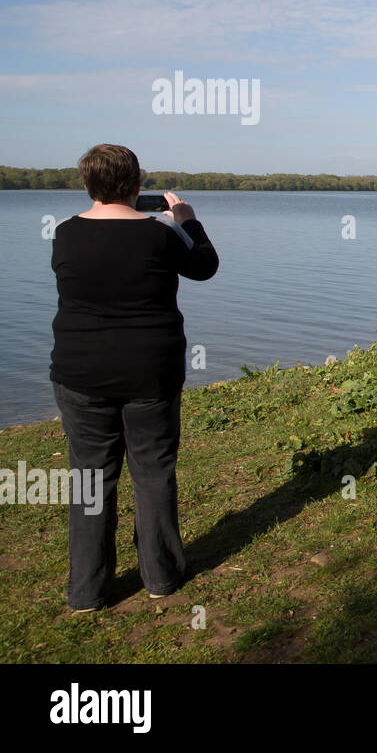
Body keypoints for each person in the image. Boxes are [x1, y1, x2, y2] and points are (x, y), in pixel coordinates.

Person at [49, 144, 219, 612]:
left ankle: (87, 590)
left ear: (87, 185)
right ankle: (161, 577)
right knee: (153, 472)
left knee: (89, 477)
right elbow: (205, 265)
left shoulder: (64, 235)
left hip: (80, 374)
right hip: (151, 372)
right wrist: (185, 219)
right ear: (137, 185)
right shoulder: (160, 236)